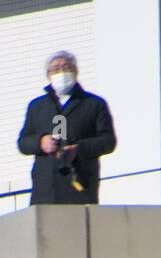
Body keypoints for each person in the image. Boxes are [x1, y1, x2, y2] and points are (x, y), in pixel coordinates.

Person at [17, 50, 116, 206]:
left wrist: (78, 149)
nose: (61, 72)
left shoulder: (94, 104)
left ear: (75, 71)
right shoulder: (37, 106)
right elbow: (23, 143)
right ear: (48, 75)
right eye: (55, 69)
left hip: (79, 184)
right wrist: (41, 142)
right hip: (46, 189)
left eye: (66, 67)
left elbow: (108, 141)